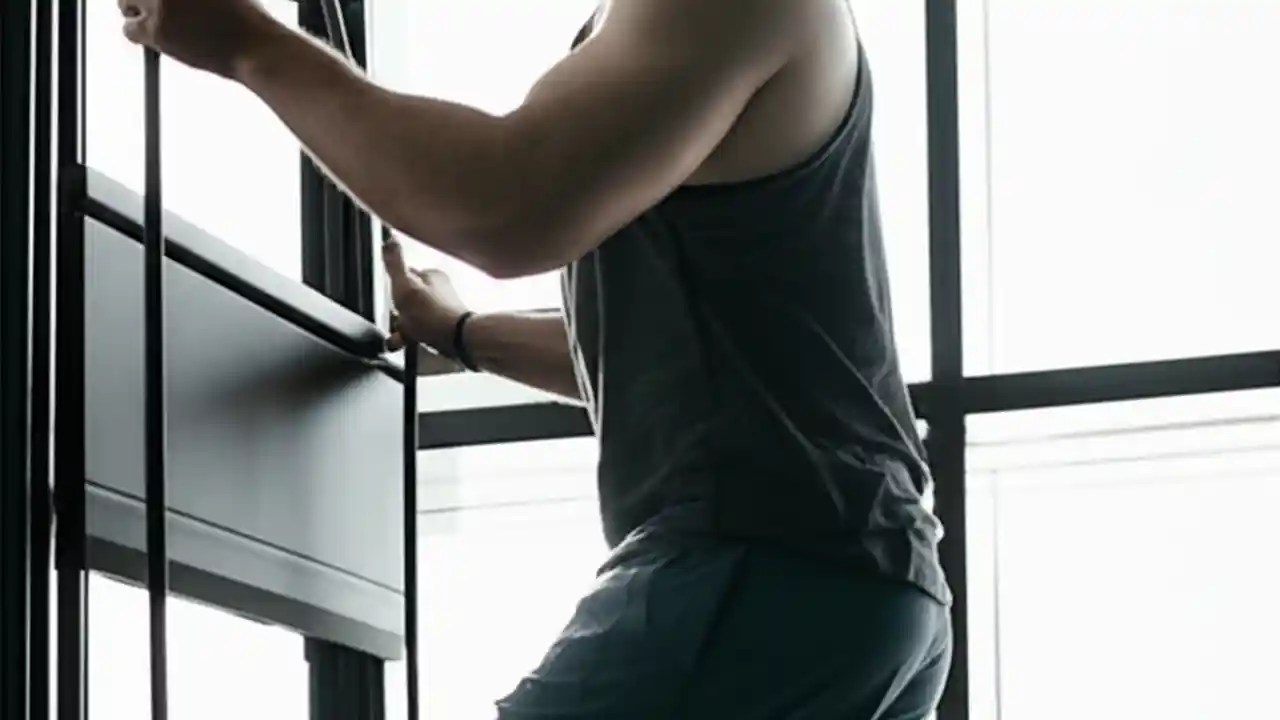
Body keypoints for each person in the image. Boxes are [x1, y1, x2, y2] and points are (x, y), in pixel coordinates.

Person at [122, 0, 953, 716]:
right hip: (861, 589)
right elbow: (661, 359)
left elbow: (506, 202)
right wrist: (459, 331)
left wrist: (246, 41)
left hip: (770, 565)